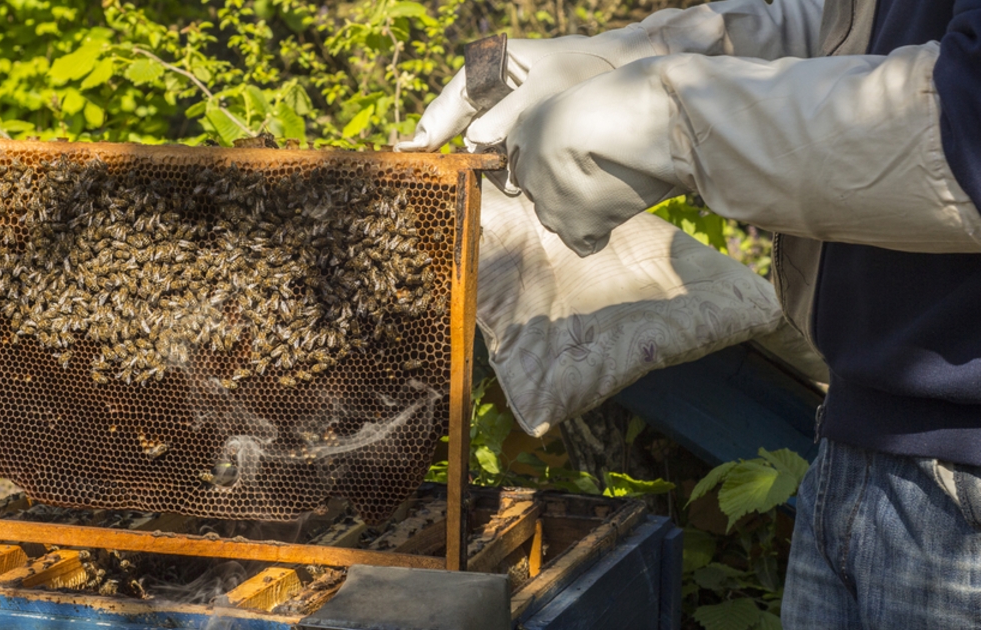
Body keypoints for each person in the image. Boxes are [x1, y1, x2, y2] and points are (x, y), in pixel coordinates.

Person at [397, 0, 981, 627]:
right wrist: (627, 57)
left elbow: (968, 125)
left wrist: (672, 120)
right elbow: (850, 25)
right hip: (851, 442)